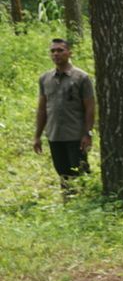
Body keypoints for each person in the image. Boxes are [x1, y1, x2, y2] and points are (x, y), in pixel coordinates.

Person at [34, 38, 95, 186]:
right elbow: (42, 109)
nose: (56, 54)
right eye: (53, 51)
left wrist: (88, 133)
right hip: (55, 135)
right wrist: (37, 136)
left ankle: (85, 202)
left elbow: (90, 107)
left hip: (75, 135)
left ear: (69, 53)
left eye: (60, 50)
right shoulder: (45, 79)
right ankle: (68, 201)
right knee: (62, 172)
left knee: (80, 172)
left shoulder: (81, 77)